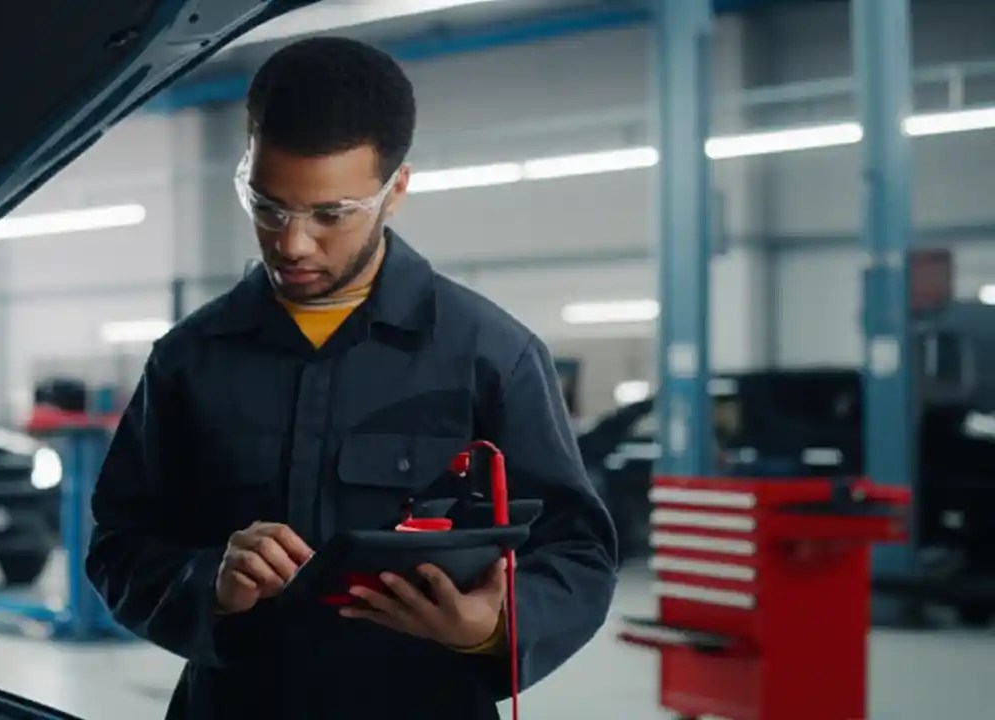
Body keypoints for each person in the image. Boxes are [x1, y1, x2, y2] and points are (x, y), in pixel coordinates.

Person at [86, 36, 618, 720]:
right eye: (267, 205)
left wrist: (491, 625)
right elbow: (120, 544)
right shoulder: (189, 360)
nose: (292, 242)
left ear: (396, 189)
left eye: (331, 214)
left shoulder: (491, 354)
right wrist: (207, 585)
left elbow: (579, 553)